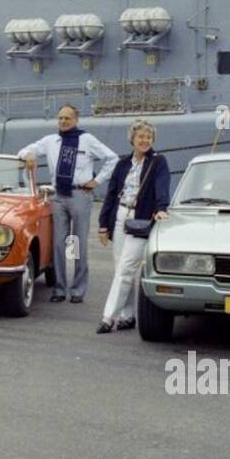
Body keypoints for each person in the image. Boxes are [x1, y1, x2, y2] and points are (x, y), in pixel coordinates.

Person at [19, 104, 118, 303]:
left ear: (76, 120)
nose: (63, 121)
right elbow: (24, 151)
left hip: (80, 195)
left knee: (77, 244)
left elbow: (112, 158)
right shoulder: (50, 141)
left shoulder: (86, 140)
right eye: (60, 118)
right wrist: (29, 156)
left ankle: (78, 290)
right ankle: (60, 289)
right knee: (59, 244)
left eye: (67, 118)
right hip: (58, 197)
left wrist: (97, 180)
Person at [96, 119, 170, 333]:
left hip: (141, 218)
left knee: (127, 268)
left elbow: (162, 185)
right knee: (121, 269)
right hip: (120, 216)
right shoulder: (122, 164)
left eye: (148, 137)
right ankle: (128, 316)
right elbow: (110, 194)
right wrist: (103, 225)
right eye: (141, 137)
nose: (145, 140)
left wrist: (162, 207)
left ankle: (108, 317)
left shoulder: (158, 162)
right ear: (132, 139)